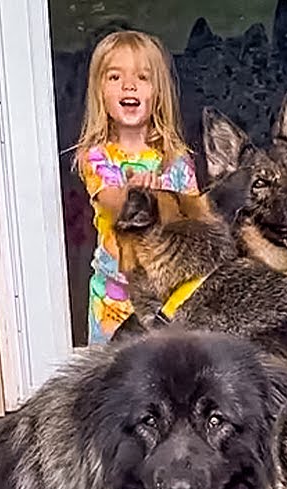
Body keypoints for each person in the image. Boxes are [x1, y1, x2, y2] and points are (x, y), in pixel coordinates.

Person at [74, 30, 199, 344]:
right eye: (115, 77)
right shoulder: (97, 156)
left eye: (142, 77)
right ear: (100, 91)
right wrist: (137, 196)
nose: (128, 85)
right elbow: (114, 202)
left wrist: (165, 201)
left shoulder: (177, 159)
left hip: (169, 298)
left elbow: (196, 222)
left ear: (158, 92)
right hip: (114, 299)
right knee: (109, 379)